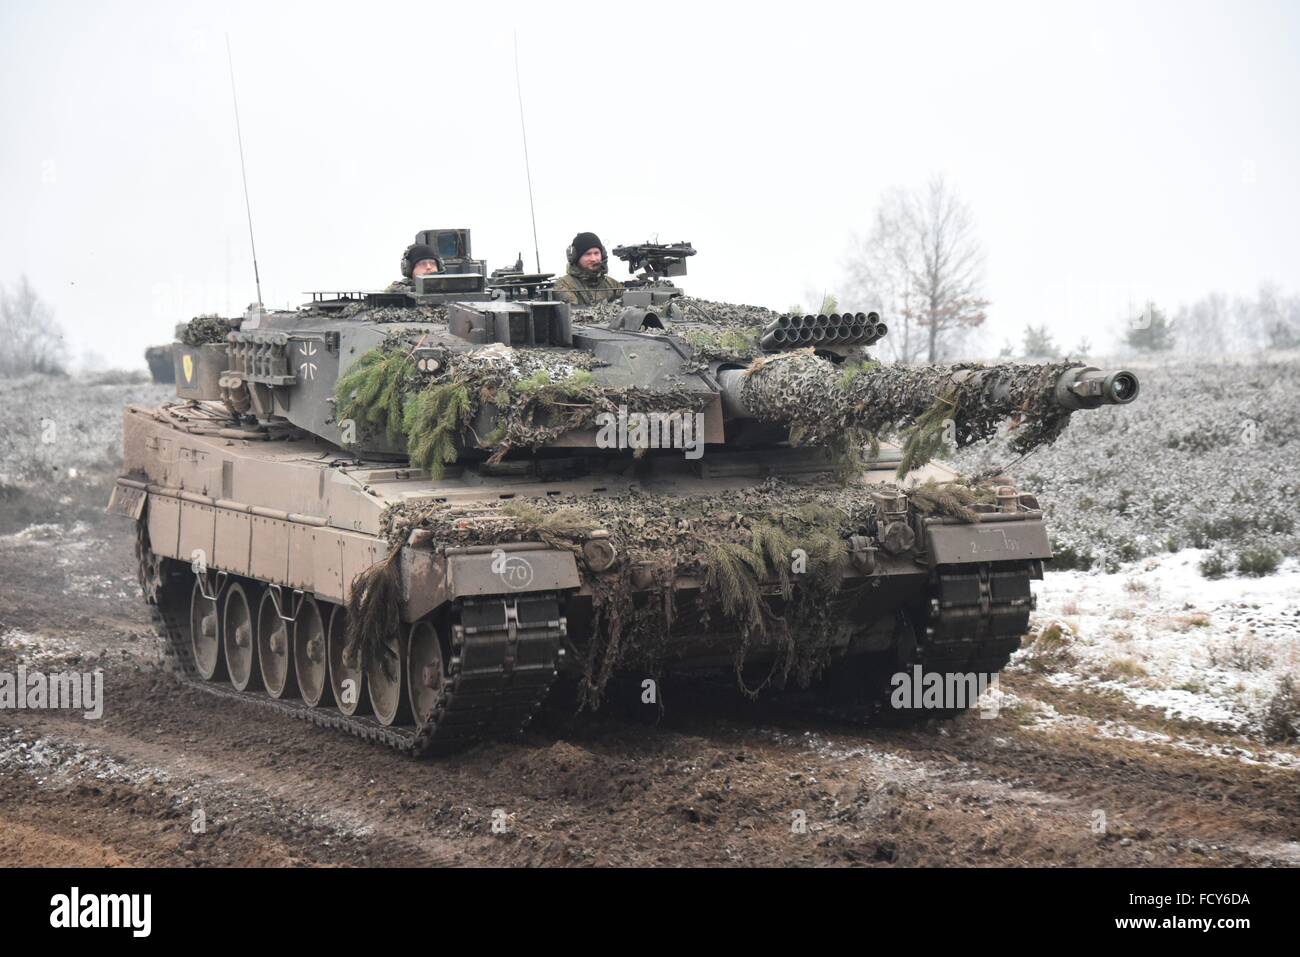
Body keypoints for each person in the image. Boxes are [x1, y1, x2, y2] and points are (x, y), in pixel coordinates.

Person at [551, 231, 624, 305]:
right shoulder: (564, 286)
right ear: (575, 257)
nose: (593, 259)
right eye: (587, 254)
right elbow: (574, 314)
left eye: (596, 253)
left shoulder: (612, 284)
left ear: (602, 255)